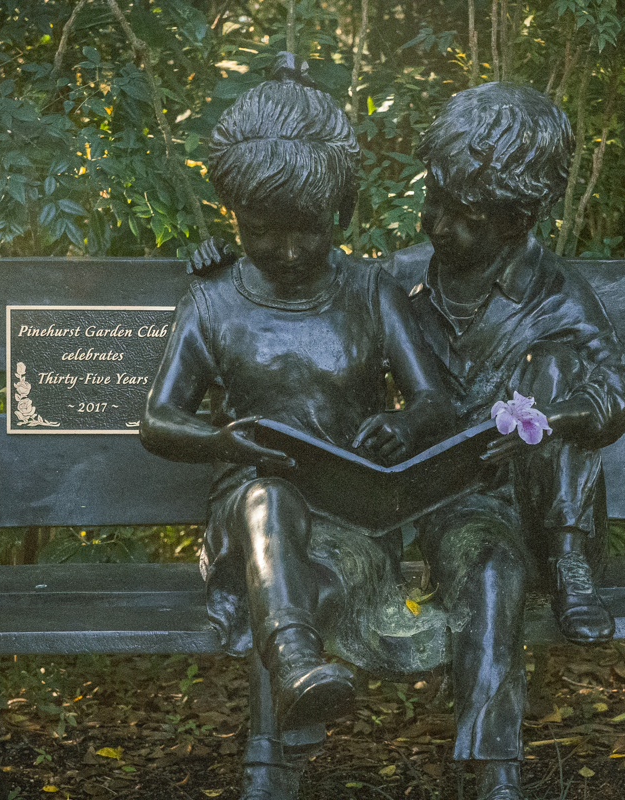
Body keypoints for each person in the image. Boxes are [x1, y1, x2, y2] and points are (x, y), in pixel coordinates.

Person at [140, 54, 453, 800]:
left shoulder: (372, 292)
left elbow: (435, 402)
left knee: (279, 554)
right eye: (261, 231)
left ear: (338, 218)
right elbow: (156, 418)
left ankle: (274, 749)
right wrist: (220, 443)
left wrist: (403, 428)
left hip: (354, 511)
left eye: (305, 233)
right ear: (234, 218)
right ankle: (294, 674)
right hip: (245, 513)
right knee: (266, 507)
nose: (285, 252)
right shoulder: (213, 301)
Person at [384, 81, 625, 800]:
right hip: (436, 502)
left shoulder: (555, 291)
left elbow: (620, 390)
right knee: (487, 568)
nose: (434, 224)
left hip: (530, 508)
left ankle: (497, 777)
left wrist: (551, 423)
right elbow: (308, 317)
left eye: (460, 215)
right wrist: (228, 266)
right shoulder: (395, 281)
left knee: (558, 373)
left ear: (517, 219)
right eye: (430, 198)